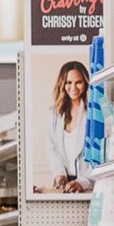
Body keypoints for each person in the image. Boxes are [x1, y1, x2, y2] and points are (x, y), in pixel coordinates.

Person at [41, 60, 93, 195]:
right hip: (65, 186)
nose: (74, 88)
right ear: (62, 84)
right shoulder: (54, 113)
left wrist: (83, 182)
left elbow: (101, 154)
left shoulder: (93, 113)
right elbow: (51, 147)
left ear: (86, 83)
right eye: (69, 83)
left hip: (89, 185)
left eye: (79, 82)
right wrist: (59, 174)